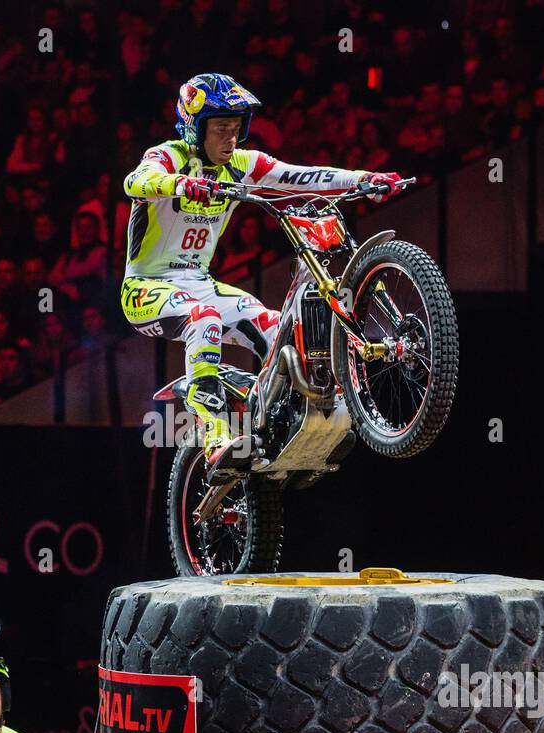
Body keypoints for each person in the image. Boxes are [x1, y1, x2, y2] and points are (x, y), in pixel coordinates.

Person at [120, 73, 405, 468]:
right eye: (221, 129)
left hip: (200, 285)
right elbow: (136, 181)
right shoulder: (168, 156)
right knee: (204, 319)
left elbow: (301, 176)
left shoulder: (240, 165)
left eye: (236, 129)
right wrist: (182, 185)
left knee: (274, 324)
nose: (230, 138)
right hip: (145, 287)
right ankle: (214, 432)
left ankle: (279, 418)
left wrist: (363, 180)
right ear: (195, 128)